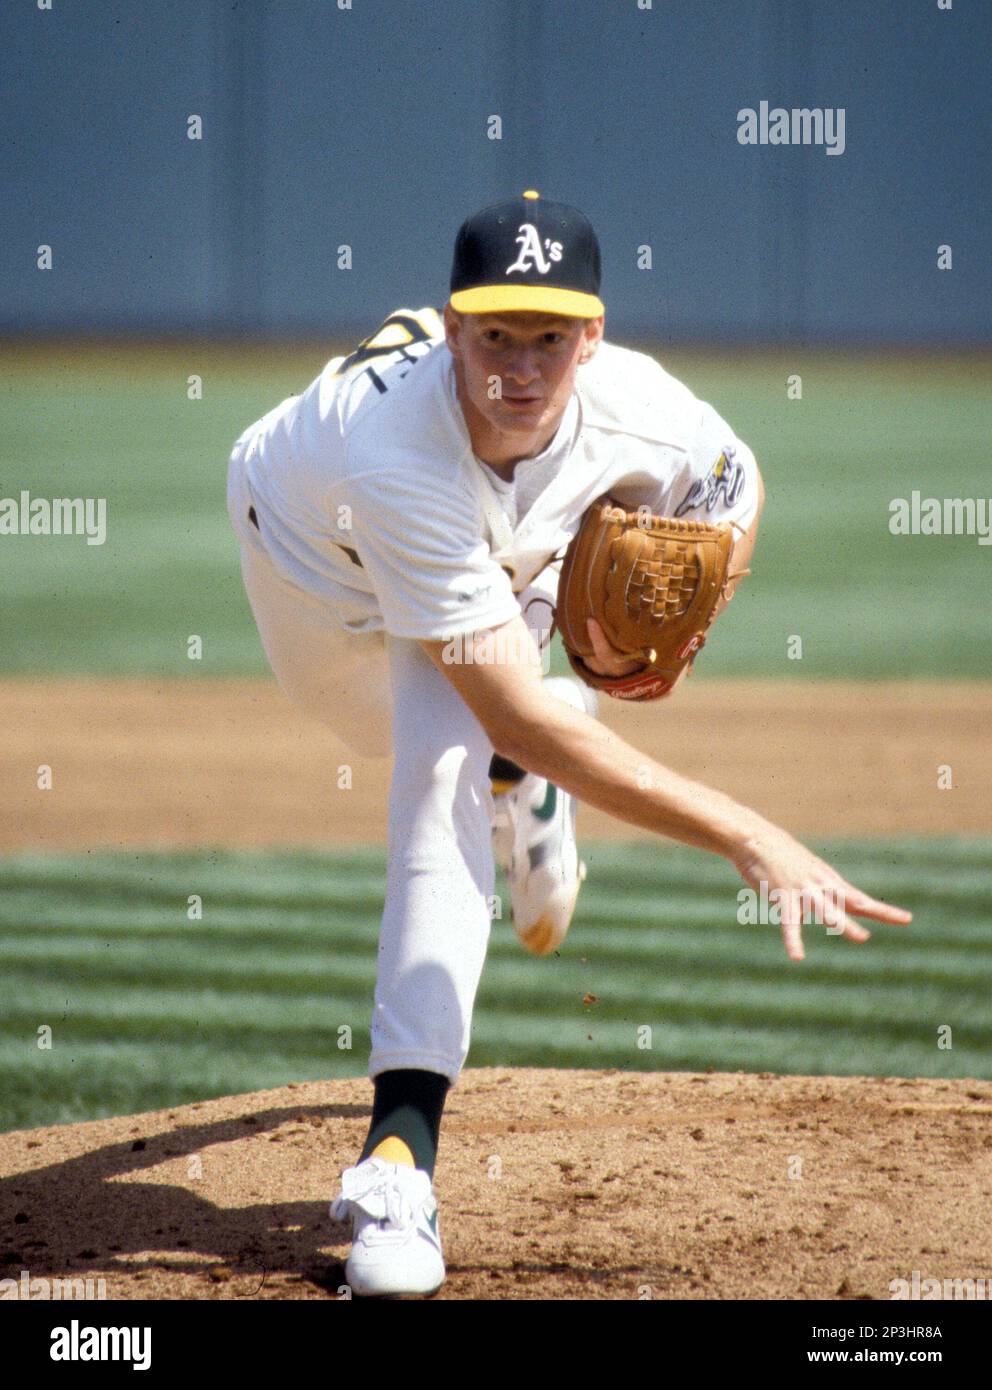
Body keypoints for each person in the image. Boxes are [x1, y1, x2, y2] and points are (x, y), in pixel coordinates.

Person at [226, 191, 911, 1298]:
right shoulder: (395, 450)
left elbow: (734, 481)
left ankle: (398, 1162)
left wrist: (698, 611)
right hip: (313, 572)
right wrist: (744, 832)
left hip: (495, 569)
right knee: (481, 727)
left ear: (591, 337)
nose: (521, 363)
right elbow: (508, 700)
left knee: (439, 766)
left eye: (550, 335)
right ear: (449, 326)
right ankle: (530, 771)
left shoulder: (641, 404)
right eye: (494, 332)